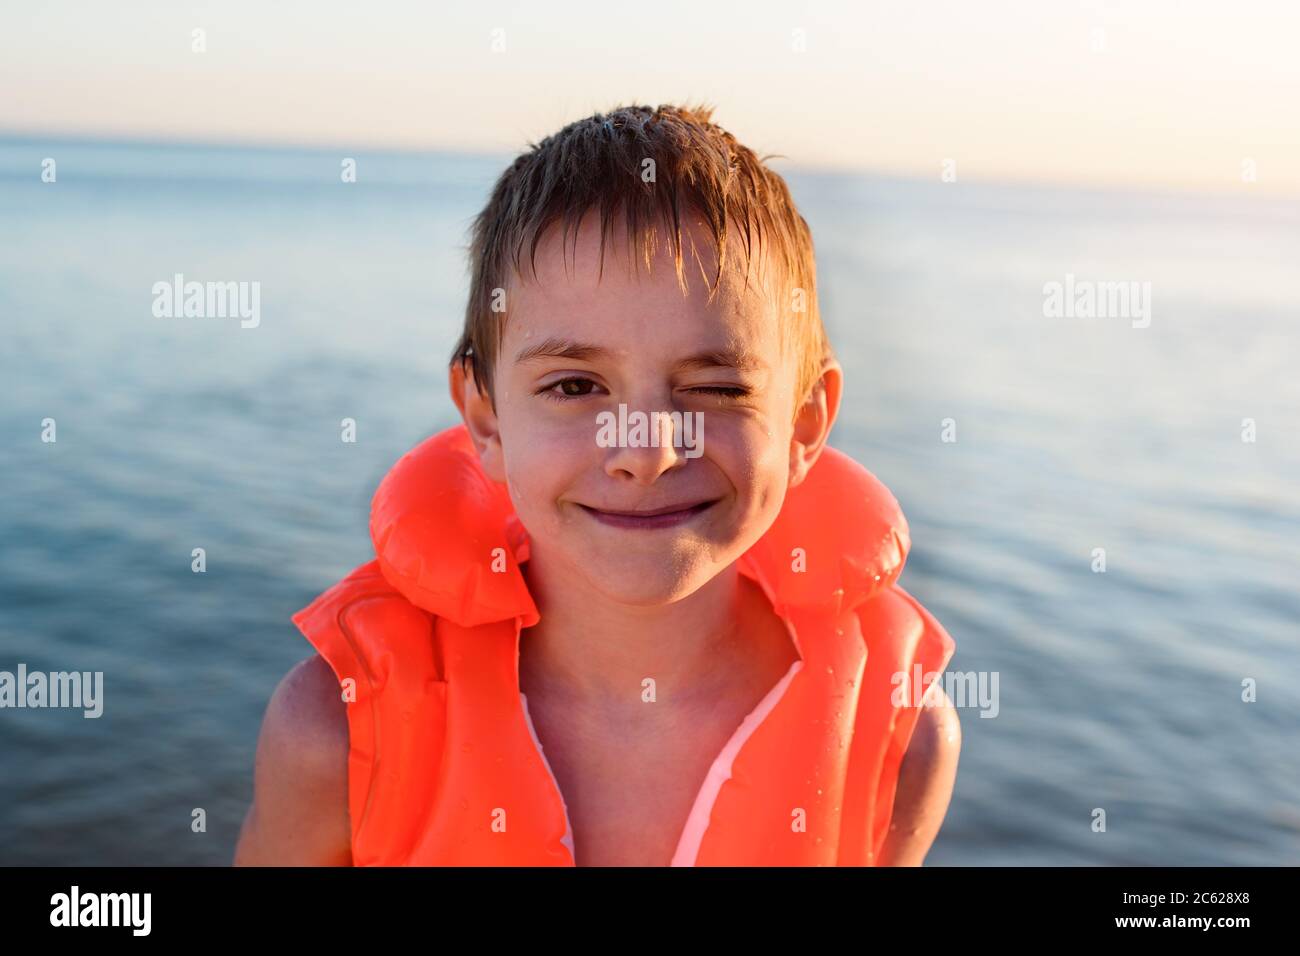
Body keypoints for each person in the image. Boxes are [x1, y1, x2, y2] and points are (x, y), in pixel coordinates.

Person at [234, 103, 960, 867]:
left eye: (715, 389)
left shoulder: (901, 742)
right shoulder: (338, 730)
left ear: (805, 423)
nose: (644, 452)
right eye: (576, 385)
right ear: (485, 419)